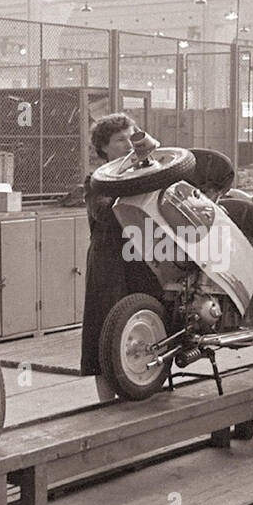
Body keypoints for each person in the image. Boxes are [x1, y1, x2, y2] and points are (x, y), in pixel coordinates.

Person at [79, 113, 164, 401]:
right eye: (119, 140)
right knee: (105, 330)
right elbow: (105, 212)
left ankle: (146, 387)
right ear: (103, 149)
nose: (128, 144)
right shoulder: (96, 181)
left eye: (131, 137)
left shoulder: (149, 172)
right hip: (110, 264)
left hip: (143, 260)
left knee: (149, 323)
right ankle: (106, 407)